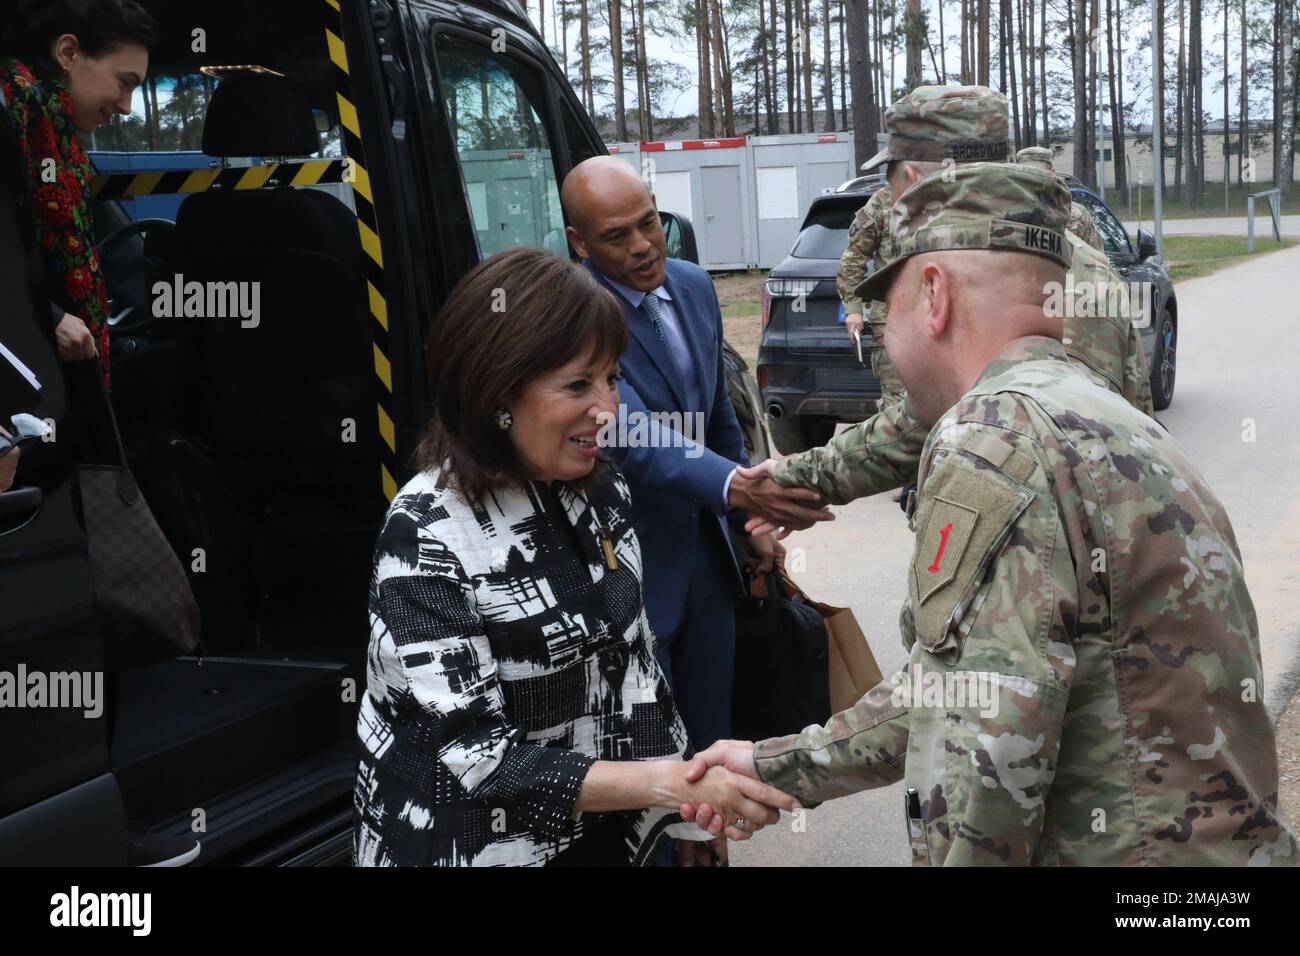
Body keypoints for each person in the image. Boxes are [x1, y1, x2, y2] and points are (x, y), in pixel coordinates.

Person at [680, 162, 1298, 866]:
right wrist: (775, 765)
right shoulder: (1109, 417)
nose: (883, 337)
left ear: (934, 294)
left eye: (889, 309)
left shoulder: (994, 439)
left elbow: (993, 751)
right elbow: (960, 688)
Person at [353, 247, 799, 868]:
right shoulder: (426, 531)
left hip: (595, 837)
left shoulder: (603, 491)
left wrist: (680, 817)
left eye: (613, 378)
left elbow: (637, 675)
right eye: (577, 384)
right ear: (494, 388)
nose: (609, 410)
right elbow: (479, 758)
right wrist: (672, 786)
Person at [743, 85, 1154, 527]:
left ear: (917, 181)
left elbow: (918, 423)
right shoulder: (1088, 261)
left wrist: (795, 478)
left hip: (1005, 544)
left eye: (892, 177)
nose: (890, 193)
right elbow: (1138, 416)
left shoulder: (946, 275)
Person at [560, 156, 828, 755]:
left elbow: (716, 419)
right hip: (626, 565)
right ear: (579, 241)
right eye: (616, 236)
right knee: (646, 749)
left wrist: (746, 523)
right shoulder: (571, 310)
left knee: (711, 741)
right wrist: (740, 486)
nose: (642, 246)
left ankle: (707, 841)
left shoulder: (694, 286)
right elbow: (625, 429)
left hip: (706, 562)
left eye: (648, 223)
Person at [0, 0, 155, 382]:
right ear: (68, 53)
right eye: (125, 83)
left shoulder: (56, 141)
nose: (126, 107)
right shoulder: (12, 120)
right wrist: (49, 316)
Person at [837, 181, 903, 404]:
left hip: (939, 322)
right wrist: (853, 310)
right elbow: (853, 259)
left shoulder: (940, 194)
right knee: (897, 403)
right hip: (892, 322)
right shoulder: (882, 202)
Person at [1015, 146, 1105, 250]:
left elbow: (1097, 260)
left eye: (1038, 175)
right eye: (1027, 176)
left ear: (1052, 173)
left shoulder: (1077, 215)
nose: (1032, 180)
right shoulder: (1004, 210)